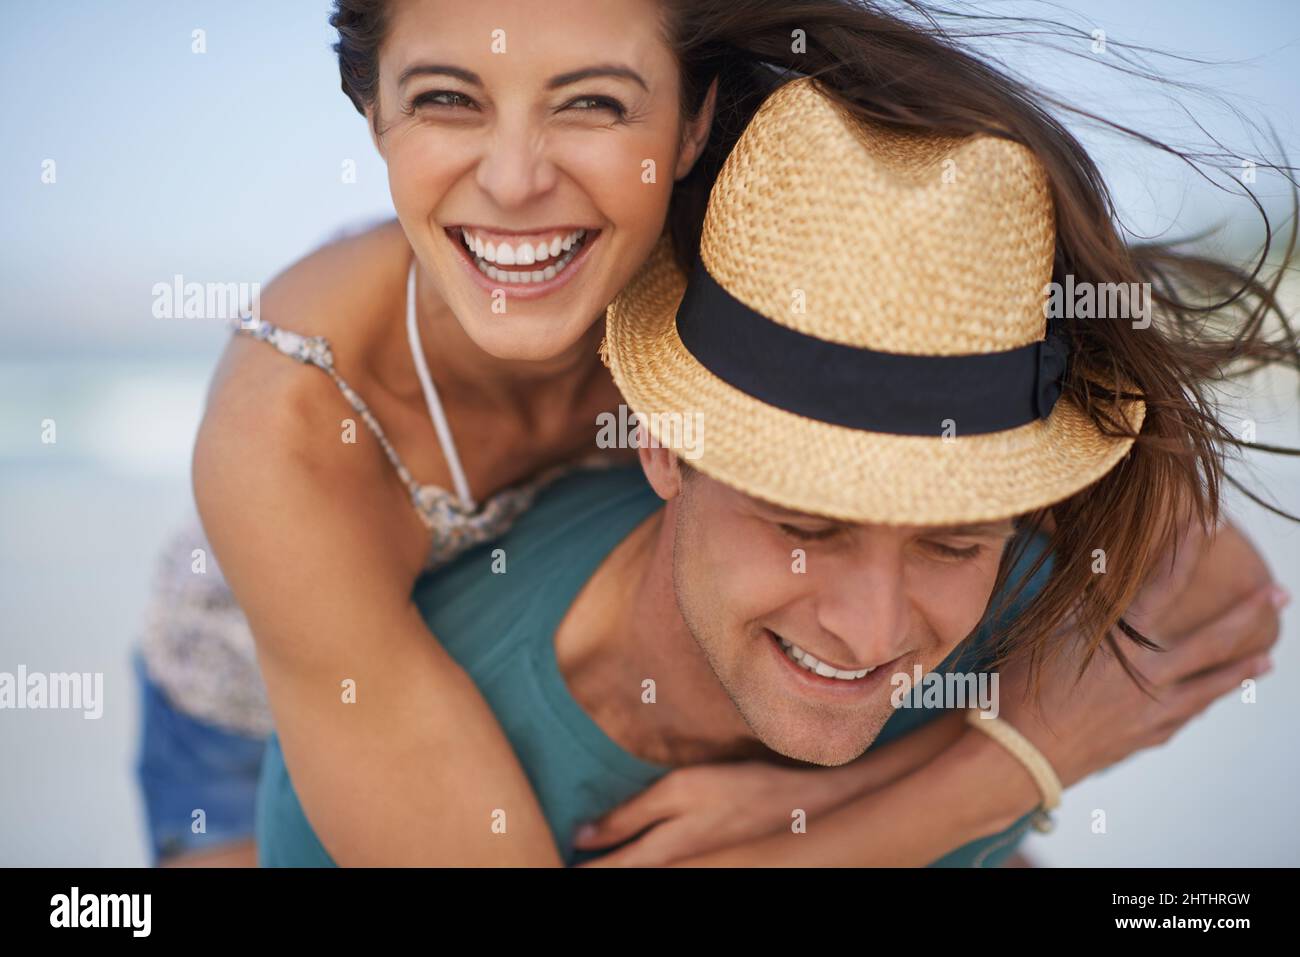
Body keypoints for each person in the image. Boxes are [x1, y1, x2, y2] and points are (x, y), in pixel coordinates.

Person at [140, 0, 1294, 865]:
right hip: (262, 680)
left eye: (592, 102)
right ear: (370, 113)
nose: (517, 179)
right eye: (445, 98)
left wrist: (834, 797)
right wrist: (996, 776)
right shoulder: (289, 431)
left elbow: (1211, 580)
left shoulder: (750, 261)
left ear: (693, 123)